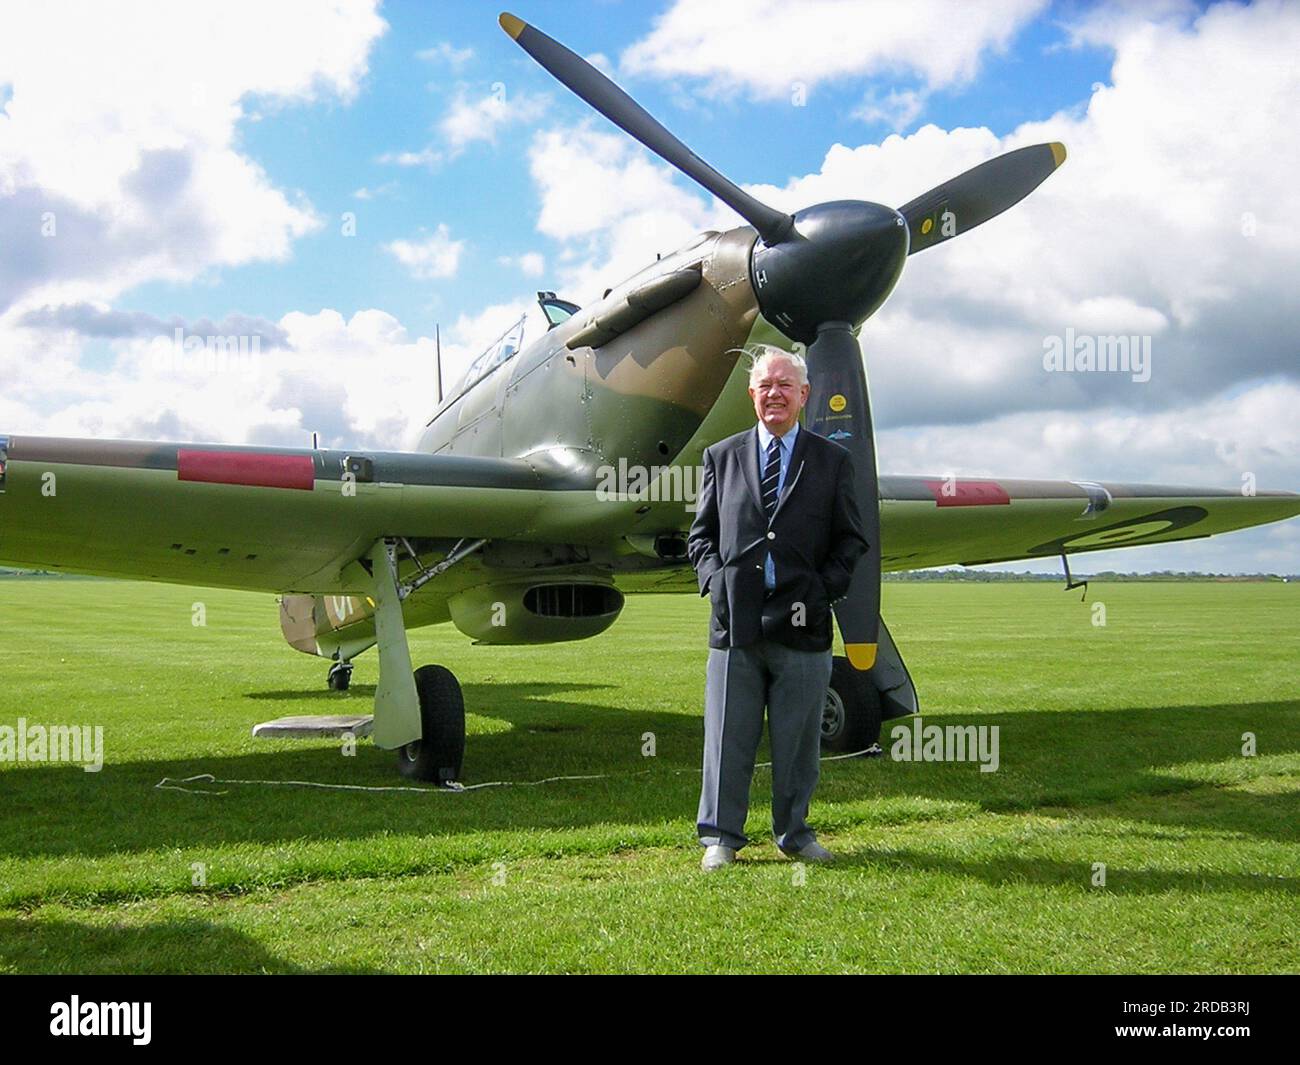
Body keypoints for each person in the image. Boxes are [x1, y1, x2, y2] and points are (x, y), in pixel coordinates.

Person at [687, 345, 869, 871]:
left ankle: (795, 834)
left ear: (804, 395)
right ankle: (720, 838)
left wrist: (821, 592)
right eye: (765, 385)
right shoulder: (720, 457)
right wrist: (715, 585)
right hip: (735, 626)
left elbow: (851, 540)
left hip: (804, 624)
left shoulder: (833, 461)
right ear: (751, 395)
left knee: (797, 744)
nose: (775, 394)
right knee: (727, 739)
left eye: (785, 385)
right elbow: (700, 538)